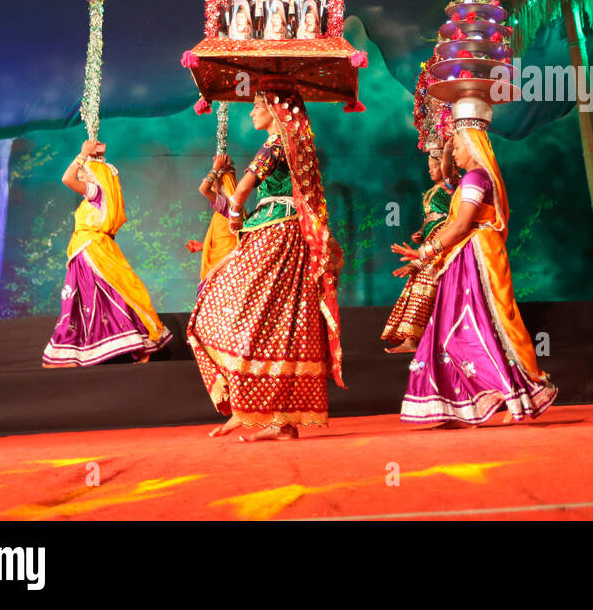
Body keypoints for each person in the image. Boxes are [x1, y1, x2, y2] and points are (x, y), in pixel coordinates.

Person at [187, 90, 345, 441]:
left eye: (257, 106)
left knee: (222, 308)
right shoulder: (294, 144)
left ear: (275, 110)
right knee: (283, 325)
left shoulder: (274, 146)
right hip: (290, 235)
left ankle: (267, 416)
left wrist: (235, 218)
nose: (251, 114)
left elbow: (241, 191)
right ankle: (263, 416)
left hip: (274, 235)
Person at [393, 100, 556, 426]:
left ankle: (516, 395)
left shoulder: (475, 179)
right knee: (456, 332)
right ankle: (457, 403)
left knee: (481, 328)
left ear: (472, 146)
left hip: (477, 259)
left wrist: (425, 254)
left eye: (457, 148)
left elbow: (460, 225)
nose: (453, 154)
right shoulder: (473, 179)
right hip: (466, 258)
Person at [41, 139, 172, 367]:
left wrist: (83, 153)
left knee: (84, 301)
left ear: (92, 173)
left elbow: (67, 179)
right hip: (97, 250)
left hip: (90, 251)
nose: (81, 175)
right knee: (109, 297)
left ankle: (76, 351)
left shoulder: (95, 191)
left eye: (85, 171)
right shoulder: (102, 193)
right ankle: (130, 346)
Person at [381, 143, 457, 352]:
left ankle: (416, 341)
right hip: (429, 240)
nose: (431, 170)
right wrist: (420, 233)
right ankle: (414, 339)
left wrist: (447, 148)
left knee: (426, 284)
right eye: (429, 167)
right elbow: (430, 219)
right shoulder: (432, 191)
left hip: (442, 240)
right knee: (419, 285)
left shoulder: (449, 186)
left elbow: (442, 219)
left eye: (434, 166)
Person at [187, 152, 239, 286]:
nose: (213, 186)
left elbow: (203, 189)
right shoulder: (232, 210)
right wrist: (204, 246)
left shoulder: (227, 206)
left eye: (216, 183)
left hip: (222, 268)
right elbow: (226, 239)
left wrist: (215, 169)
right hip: (225, 264)